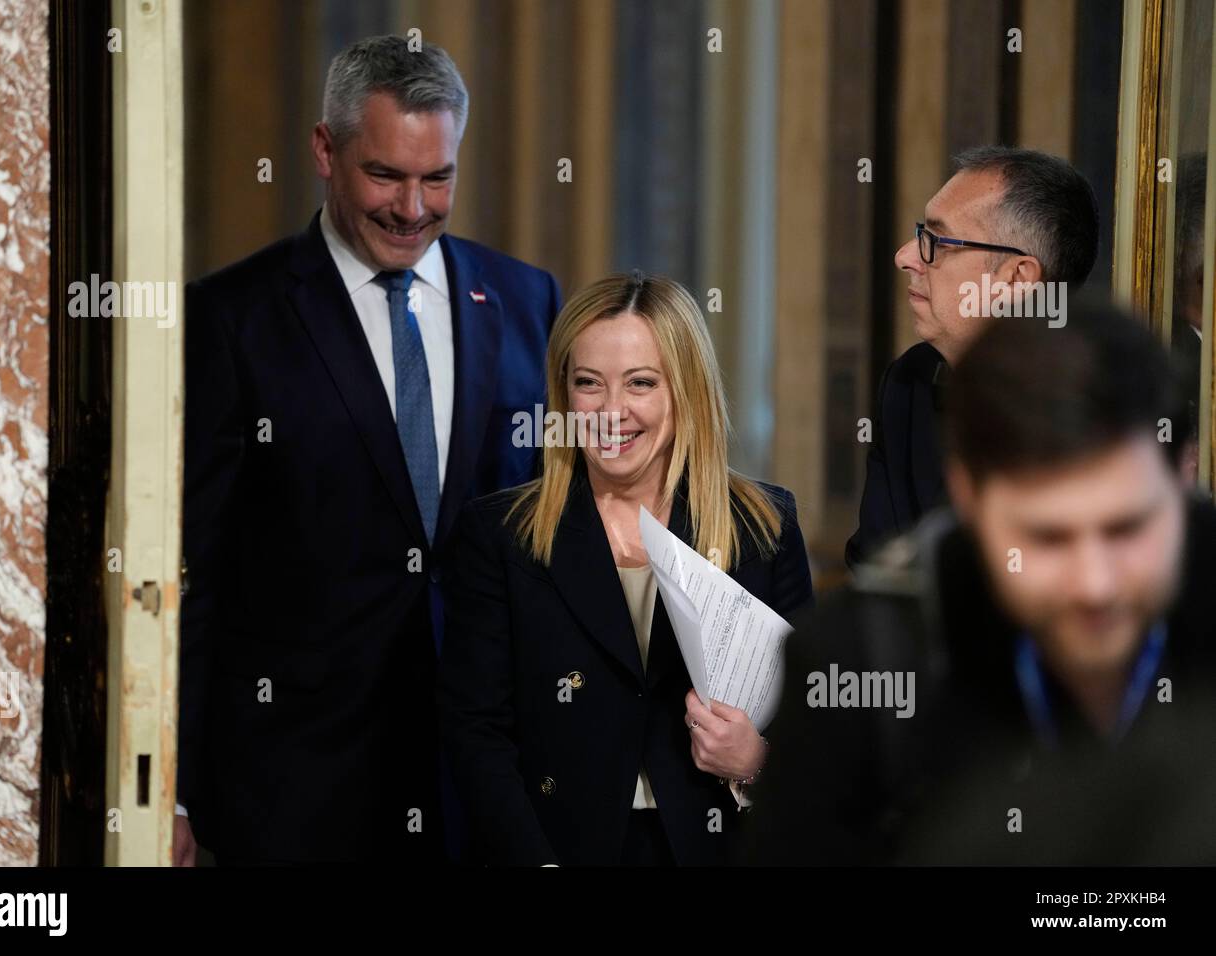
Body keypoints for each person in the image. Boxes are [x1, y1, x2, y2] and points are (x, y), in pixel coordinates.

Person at [176, 36, 561, 865]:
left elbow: (550, 535)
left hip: (480, 790)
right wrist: (172, 789)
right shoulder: (231, 318)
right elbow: (191, 572)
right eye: (385, 175)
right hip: (293, 795)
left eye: (438, 177)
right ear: (324, 149)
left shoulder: (528, 300)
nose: (413, 207)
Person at [746, 298, 1216, 865]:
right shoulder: (858, 662)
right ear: (967, 494)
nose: (1095, 584)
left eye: (1127, 529)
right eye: (1048, 538)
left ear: (1183, 475)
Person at [439, 272, 814, 866]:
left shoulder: (763, 527)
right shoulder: (499, 533)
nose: (611, 412)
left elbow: (814, 732)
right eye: (588, 383)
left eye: (640, 383)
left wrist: (756, 761)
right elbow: (476, 733)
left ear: (685, 391)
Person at [846, 146, 1099, 567]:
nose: (905, 257)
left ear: (1017, 279)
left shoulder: (1093, 420)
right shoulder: (909, 381)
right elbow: (872, 570)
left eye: (936, 242)